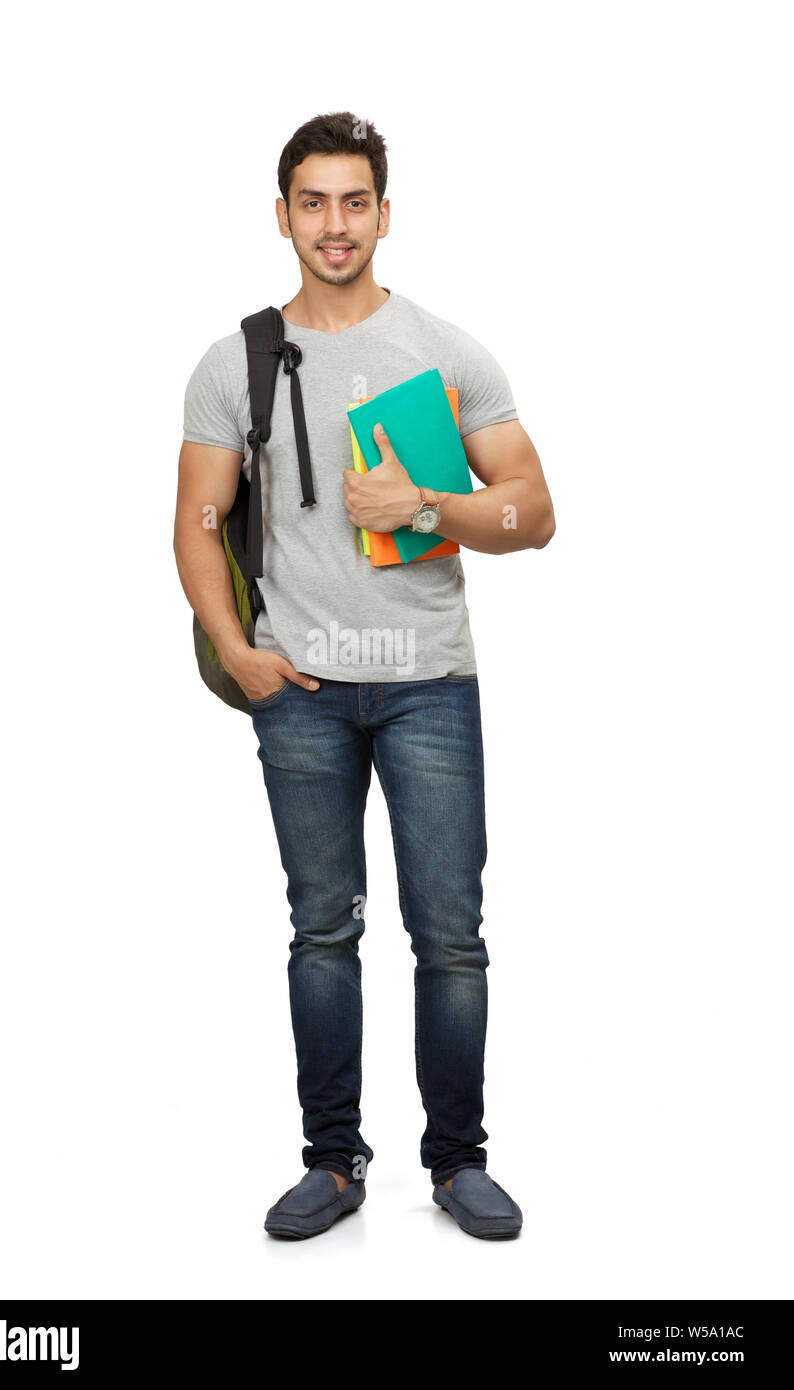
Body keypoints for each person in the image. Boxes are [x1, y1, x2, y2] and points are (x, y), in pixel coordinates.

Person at [174, 111, 555, 1240]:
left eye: (354, 203)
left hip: (428, 681)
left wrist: (426, 508)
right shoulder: (233, 360)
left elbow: (532, 513)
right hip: (297, 693)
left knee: (449, 933)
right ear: (282, 215)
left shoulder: (445, 352)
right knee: (320, 930)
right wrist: (237, 650)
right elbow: (199, 523)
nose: (333, 225)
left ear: (383, 215)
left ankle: (456, 1162)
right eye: (312, 202)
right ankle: (332, 1162)